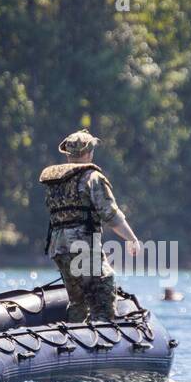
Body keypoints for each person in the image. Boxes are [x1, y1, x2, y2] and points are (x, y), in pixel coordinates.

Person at [39, 129, 139, 322]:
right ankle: (104, 339)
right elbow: (110, 215)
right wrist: (131, 239)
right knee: (103, 289)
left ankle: (74, 339)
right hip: (82, 246)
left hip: (58, 248)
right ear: (88, 152)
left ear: (68, 154)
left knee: (78, 301)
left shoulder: (55, 181)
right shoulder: (93, 178)